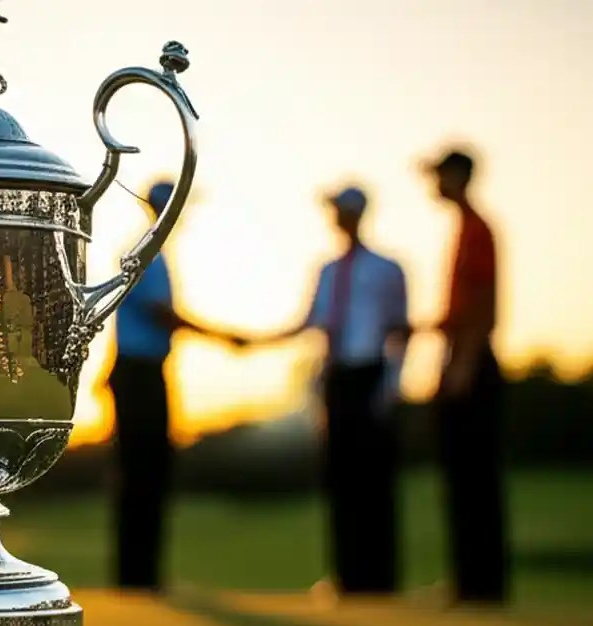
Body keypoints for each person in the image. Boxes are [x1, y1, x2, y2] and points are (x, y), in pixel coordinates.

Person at [241, 186, 409, 596]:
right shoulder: (329, 270)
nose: (338, 216)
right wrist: (256, 342)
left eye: (343, 210)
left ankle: (381, 579)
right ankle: (348, 576)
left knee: (374, 481)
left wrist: (391, 384)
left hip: (370, 374)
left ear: (358, 213)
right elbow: (309, 322)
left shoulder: (388, 269)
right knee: (341, 477)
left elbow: (400, 330)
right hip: (336, 378)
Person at [108, 180, 243, 591]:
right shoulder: (147, 252)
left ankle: (143, 574)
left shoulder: (157, 253)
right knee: (142, 473)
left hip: (141, 372)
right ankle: (137, 577)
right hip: (139, 374)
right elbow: (161, 314)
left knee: (148, 471)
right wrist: (222, 337)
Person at [422, 149, 508, 605]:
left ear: (457, 175)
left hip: (471, 364)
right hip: (462, 358)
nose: (433, 182)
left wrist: (463, 364)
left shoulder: (477, 229)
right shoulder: (466, 227)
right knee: (462, 475)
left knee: (474, 476)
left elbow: (482, 306)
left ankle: (481, 586)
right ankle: (471, 581)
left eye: (439, 174)